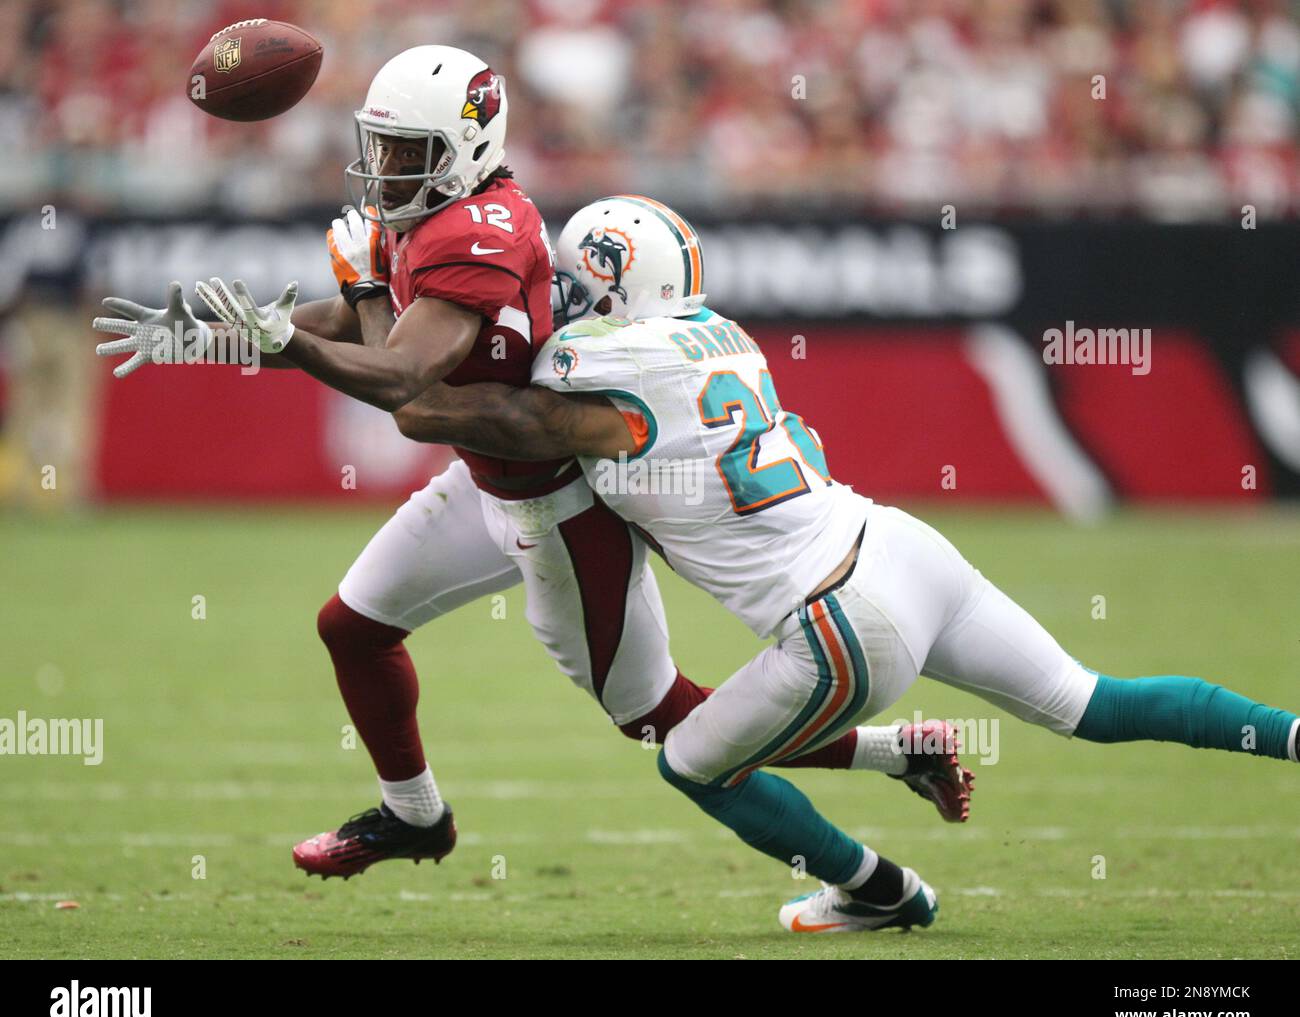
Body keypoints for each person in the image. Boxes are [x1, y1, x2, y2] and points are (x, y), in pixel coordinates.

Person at [91, 49, 953, 883]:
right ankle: (414, 815)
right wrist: (212, 337)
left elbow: (400, 376)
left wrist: (342, 303)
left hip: (555, 508)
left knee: (656, 720)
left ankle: (891, 775)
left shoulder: (482, 228)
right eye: (379, 145)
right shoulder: (432, 213)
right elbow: (355, 322)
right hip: (484, 480)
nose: (383, 168)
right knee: (352, 627)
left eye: (406, 151)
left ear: (464, 148)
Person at [388, 193, 1300, 933]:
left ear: (609, 284)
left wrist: (379, 329)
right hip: (900, 548)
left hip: (837, 616)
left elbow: (483, 410)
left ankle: (878, 891)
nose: (561, 303)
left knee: (695, 765)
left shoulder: (597, 364)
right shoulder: (722, 336)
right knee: (1091, 703)